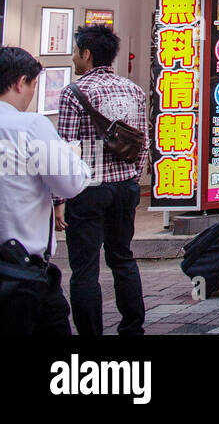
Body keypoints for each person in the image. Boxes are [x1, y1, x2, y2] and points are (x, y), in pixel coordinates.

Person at [54, 24, 147, 336]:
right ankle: (133, 327)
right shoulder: (133, 89)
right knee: (122, 258)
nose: (73, 58)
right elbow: (143, 142)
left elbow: (66, 149)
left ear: (87, 54)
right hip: (125, 187)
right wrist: (133, 177)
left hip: (87, 189)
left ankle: (91, 332)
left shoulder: (74, 93)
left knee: (84, 268)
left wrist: (59, 200)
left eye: (75, 52)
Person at [0, 46, 91, 335]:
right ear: (20, 82)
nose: (31, 95)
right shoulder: (29, 126)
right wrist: (74, 156)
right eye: (33, 85)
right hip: (22, 267)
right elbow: (70, 182)